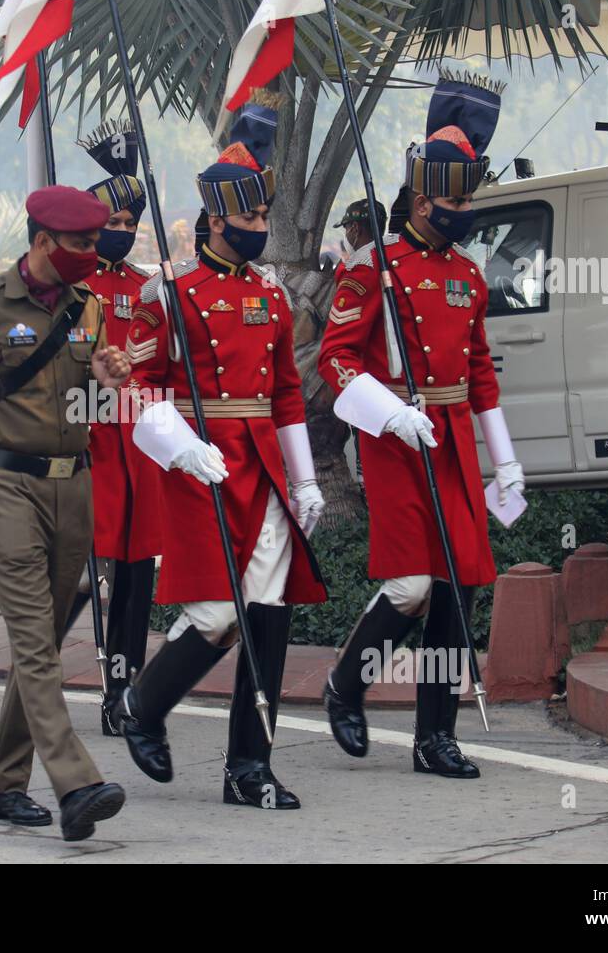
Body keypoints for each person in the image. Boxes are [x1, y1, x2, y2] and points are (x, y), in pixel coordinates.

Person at [119, 95, 327, 809]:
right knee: (215, 616)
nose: (259, 230)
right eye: (248, 220)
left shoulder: (270, 298)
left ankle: (250, 766)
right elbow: (137, 391)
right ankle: (142, 706)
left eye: (263, 218)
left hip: (261, 463)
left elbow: (287, 396)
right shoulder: (167, 293)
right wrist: (179, 446)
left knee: (268, 613)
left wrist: (303, 481)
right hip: (198, 465)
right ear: (213, 222)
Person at [317, 70, 526, 778]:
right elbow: (336, 361)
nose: (463, 209)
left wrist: (508, 459)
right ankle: (346, 685)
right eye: (452, 198)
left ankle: (436, 737)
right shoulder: (374, 267)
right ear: (421, 194)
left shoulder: (468, 272)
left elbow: (480, 372)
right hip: (395, 440)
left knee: (456, 589)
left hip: (455, 437)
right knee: (411, 585)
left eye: (470, 197)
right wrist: (391, 414)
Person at [0, 185, 130, 842]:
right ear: (42, 242)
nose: (92, 255)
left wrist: (106, 384)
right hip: (6, 486)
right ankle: (77, 783)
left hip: (73, 489)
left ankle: (6, 783)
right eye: (81, 245)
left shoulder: (86, 310)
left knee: (41, 640)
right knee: (35, 638)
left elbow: (92, 418)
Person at [71, 119, 164, 735]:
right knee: (80, 574)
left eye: (130, 225)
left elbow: (158, 359)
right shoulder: (68, 287)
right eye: (112, 223)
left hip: (138, 444)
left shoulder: (146, 288)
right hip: (86, 440)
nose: (121, 234)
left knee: (135, 573)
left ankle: (121, 691)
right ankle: (37, 672)